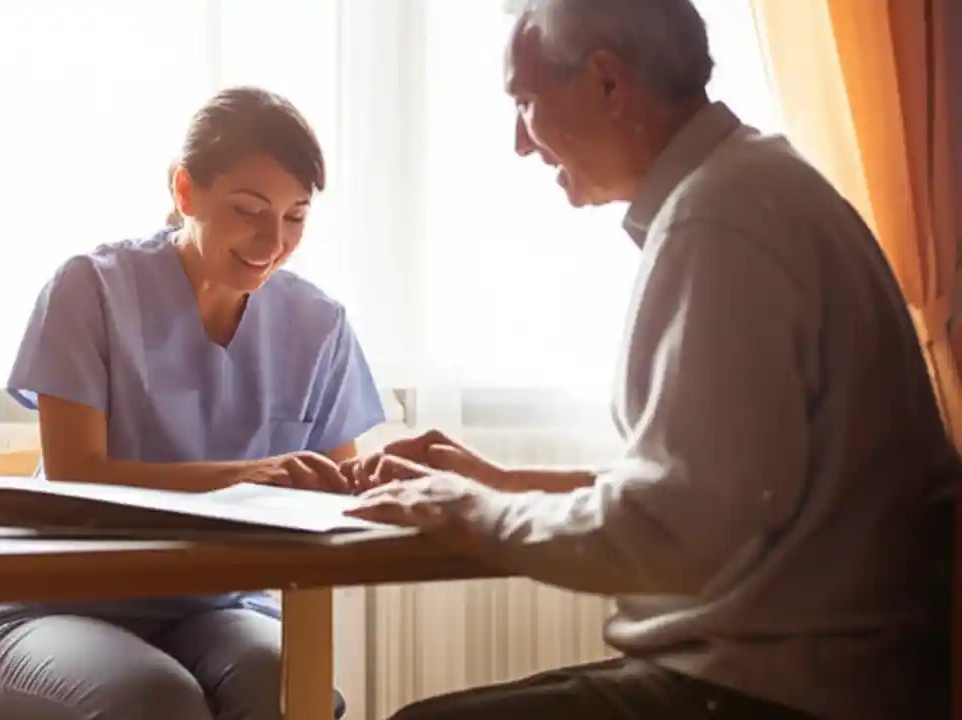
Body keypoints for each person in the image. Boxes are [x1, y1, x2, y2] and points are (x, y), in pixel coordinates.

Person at [344, 1, 958, 718]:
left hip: (779, 693)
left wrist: (477, 510)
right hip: (820, 676)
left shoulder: (720, 219)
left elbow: (679, 531)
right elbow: (712, 486)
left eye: (527, 102)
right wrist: (500, 480)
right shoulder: (756, 182)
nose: (519, 142)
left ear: (608, 83)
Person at [0, 86, 384, 720]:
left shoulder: (318, 324)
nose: (273, 240)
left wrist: (383, 483)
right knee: (157, 701)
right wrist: (247, 477)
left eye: (295, 217)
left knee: (287, 690)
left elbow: (335, 497)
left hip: (223, 610)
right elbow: (77, 475)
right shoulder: (92, 288)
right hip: (58, 604)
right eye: (249, 209)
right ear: (185, 192)